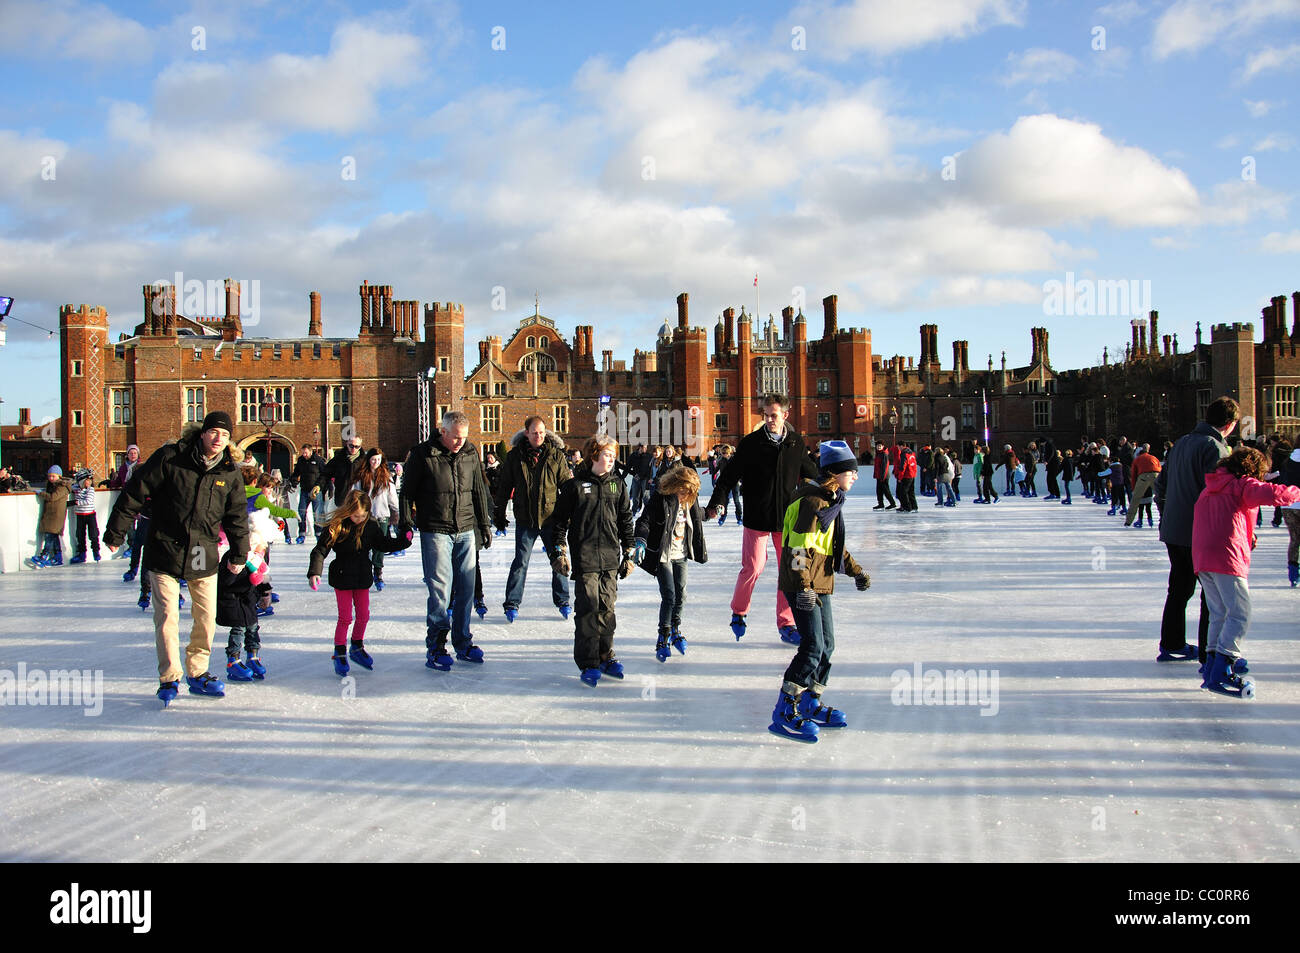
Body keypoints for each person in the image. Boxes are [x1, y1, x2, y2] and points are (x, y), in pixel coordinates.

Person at [103, 412, 250, 705]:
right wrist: (115, 533)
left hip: (202, 551)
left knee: (205, 616)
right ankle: (170, 677)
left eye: (224, 435)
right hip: (165, 547)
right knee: (167, 616)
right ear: (202, 433)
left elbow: (236, 516)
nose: (218, 439)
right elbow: (135, 493)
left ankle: (198, 672)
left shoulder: (229, 472)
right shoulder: (171, 458)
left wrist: (239, 552)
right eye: (213, 433)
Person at [768, 440, 871, 743]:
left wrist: (857, 571)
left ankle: (811, 702)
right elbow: (798, 547)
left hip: (820, 582)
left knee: (827, 646)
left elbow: (833, 548)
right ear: (836, 472)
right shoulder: (812, 503)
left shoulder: (830, 501)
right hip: (802, 584)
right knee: (812, 647)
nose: (854, 476)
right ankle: (784, 710)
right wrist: (802, 586)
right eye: (851, 471)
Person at [703, 394, 820, 643]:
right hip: (757, 517)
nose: (769, 420)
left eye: (774, 415)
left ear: (785, 416)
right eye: (765, 415)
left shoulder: (796, 443)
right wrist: (717, 502)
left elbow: (812, 475)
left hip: (788, 519)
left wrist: (829, 490)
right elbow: (728, 476)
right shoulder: (751, 443)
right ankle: (739, 611)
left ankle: (787, 623)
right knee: (753, 567)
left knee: (790, 571)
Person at [1193, 446, 1300, 697]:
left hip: (1202, 557)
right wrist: (1296, 488)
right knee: (1240, 613)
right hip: (1226, 555)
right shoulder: (1241, 484)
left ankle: (1211, 666)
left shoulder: (1213, 486)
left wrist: (1248, 534)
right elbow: (1277, 495)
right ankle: (1223, 667)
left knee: (1219, 612)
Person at [400, 411, 493, 671]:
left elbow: (478, 490)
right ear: (443, 432)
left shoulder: (470, 453)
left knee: (466, 588)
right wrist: (405, 523)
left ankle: (463, 642)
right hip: (435, 529)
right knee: (440, 589)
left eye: (464, 437)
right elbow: (407, 492)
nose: (459, 442)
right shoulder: (423, 454)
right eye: (455, 437)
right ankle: (437, 646)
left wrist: (484, 525)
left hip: (465, 529)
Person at [1153, 396, 1239, 664]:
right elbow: (1219, 495)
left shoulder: (1181, 442)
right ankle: (1208, 653)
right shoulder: (1216, 449)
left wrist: (1168, 514)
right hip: (1200, 533)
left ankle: (1172, 643)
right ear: (1230, 423)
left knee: (1178, 589)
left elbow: (1160, 485)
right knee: (1212, 595)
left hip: (1173, 529)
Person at [549, 433, 636, 687]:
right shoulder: (575, 486)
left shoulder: (617, 485)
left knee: (607, 608)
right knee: (588, 608)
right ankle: (588, 662)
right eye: (608, 455)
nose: (612, 460)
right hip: (585, 557)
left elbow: (626, 522)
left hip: (610, 558)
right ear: (594, 455)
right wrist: (559, 551)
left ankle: (606, 655)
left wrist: (629, 552)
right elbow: (559, 522)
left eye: (614, 455)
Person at [310, 489, 413, 676]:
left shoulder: (370, 525)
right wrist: (315, 572)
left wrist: (403, 542)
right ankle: (339, 651)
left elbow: (383, 544)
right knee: (345, 617)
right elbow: (320, 550)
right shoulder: (337, 525)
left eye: (363, 515)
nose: (359, 518)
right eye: (356, 515)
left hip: (362, 576)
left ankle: (356, 646)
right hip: (342, 577)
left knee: (364, 615)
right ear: (348, 510)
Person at [494, 416, 572, 622]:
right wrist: (499, 514)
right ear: (526, 433)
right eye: (534, 432)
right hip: (525, 519)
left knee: (558, 559)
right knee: (520, 562)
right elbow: (504, 488)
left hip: (551, 519)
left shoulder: (556, 456)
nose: (538, 436)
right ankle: (512, 603)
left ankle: (563, 600)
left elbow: (567, 487)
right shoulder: (514, 457)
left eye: (542, 432)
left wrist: (571, 513)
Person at [634, 464, 707, 662]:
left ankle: (675, 628)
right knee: (669, 596)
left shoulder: (689, 502)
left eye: (689, 493)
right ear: (674, 485)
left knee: (681, 594)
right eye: (682, 491)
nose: (684, 496)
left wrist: (712, 512)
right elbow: (644, 521)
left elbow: (698, 515)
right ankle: (663, 636)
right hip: (663, 555)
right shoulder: (660, 499)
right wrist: (640, 540)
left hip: (681, 555)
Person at [352, 448, 399, 591]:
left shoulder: (386, 476)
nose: (375, 462)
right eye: (373, 459)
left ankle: (378, 573)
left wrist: (396, 511)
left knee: (380, 545)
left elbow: (392, 496)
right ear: (368, 460)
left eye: (378, 460)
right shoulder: (361, 476)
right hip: (366, 515)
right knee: (364, 544)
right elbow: (354, 493)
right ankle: (364, 571)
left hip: (382, 514)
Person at [29, 465, 70, 567]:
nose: (51, 478)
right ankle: (58, 558)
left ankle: (44, 556)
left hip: (56, 515)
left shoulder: (62, 486)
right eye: (50, 476)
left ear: (59, 476)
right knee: (53, 536)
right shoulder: (52, 485)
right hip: (51, 514)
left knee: (49, 536)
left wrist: (41, 493)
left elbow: (53, 497)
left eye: (53, 476)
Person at [291, 444, 327, 543]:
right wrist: (294, 479)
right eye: (303, 453)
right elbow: (296, 472)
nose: (304, 455)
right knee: (301, 511)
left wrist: (319, 485)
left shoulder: (318, 460)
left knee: (318, 513)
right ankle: (302, 533)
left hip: (316, 490)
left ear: (311, 452)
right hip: (304, 490)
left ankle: (319, 534)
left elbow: (324, 474)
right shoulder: (301, 460)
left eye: (306, 453)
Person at [69, 468, 101, 563]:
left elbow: (88, 501)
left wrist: (75, 502)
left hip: (90, 515)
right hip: (80, 515)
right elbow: (69, 487)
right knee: (80, 535)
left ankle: (96, 552)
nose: (89, 483)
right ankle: (82, 554)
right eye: (87, 481)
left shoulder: (90, 490)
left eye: (90, 481)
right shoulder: (76, 488)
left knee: (93, 534)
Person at [324, 435, 365, 508]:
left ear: (360, 446)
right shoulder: (338, 459)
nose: (353, 449)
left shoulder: (364, 461)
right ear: (347, 444)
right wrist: (320, 485)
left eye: (357, 447)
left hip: (359, 499)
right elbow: (325, 473)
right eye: (351, 446)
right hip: (342, 497)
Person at [1127, 444, 1161, 528]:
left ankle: (1129, 521)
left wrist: (1133, 488)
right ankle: (1166, 517)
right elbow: (1160, 468)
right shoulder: (1153, 457)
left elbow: (1133, 475)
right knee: (1161, 497)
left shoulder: (1137, 459)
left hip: (1143, 477)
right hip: (1156, 475)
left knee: (1135, 499)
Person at [872, 441, 896, 510]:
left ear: (883, 446)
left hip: (883, 476)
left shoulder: (884, 454)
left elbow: (885, 466)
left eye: (880, 446)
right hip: (879, 475)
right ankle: (881, 504)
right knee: (879, 491)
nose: (878, 447)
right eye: (877, 446)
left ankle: (892, 504)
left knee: (886, 491)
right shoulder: (878, 454)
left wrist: (882, 476)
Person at [896, 445, 918, 512]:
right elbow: (914, 464)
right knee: (911, 491)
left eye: (898, 447)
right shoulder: (911, 453)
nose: (898, 449)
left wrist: (900, 477)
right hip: (912, 475)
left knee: (903, 492)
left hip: (907, 475)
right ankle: (914, 506)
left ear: (901, 446)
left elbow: (903, 466)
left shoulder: (904, 454)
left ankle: (907, 507)